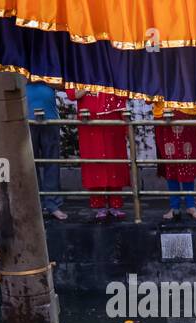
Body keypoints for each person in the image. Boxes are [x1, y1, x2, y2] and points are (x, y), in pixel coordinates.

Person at [65, 88, 129, 220]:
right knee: (94, 164)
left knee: (114, 163)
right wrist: (90, 86)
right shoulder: (78, 73)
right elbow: (73, 95)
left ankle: (115, 205)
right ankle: (99, 206)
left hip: (112, 119)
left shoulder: (109, 71)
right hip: (89, 122)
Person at [153, 101, 196, 220]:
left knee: (187, 160)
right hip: (164, 116)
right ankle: (174, 206)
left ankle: (191, 205)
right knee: (170, 162)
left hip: (187, 113)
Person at [25, 81, 66, 220]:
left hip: (50, 118)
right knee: (29, 164)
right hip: (26, 119)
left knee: (52, 162)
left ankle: (53, 205)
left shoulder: (49, 64)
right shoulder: (18, 62)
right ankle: (34, 204)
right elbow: (13, 81)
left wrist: (42, 79)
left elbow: (63, 84)